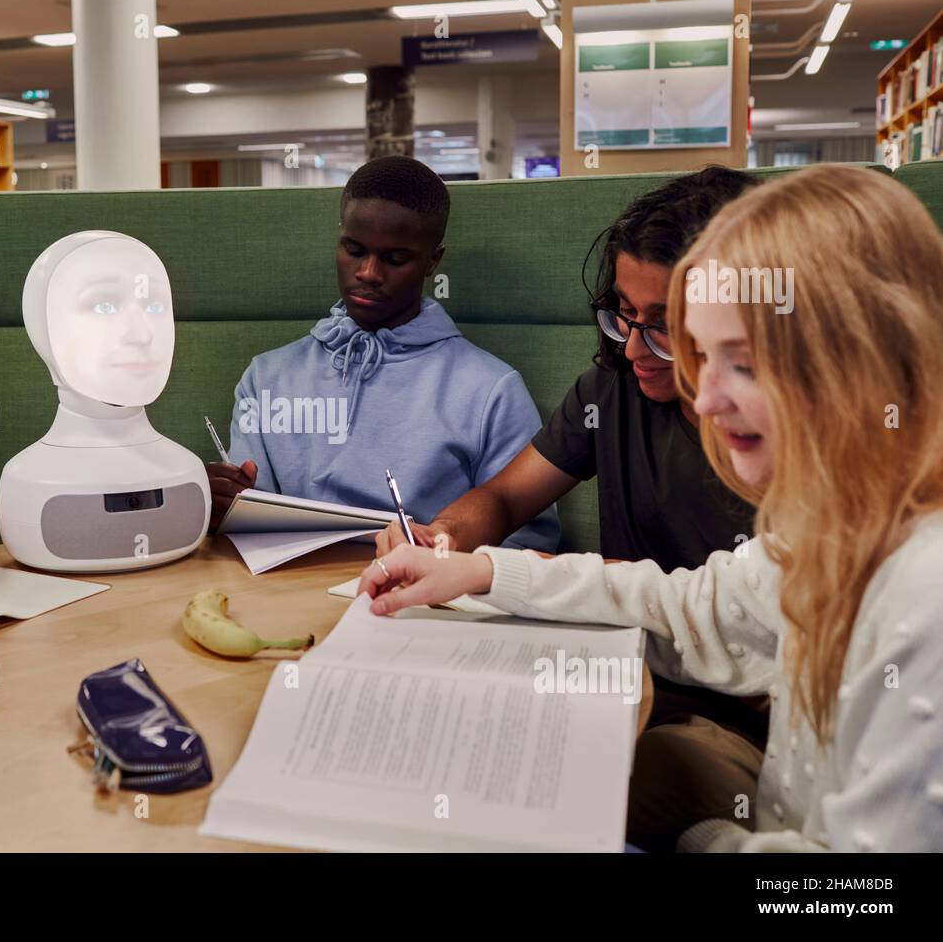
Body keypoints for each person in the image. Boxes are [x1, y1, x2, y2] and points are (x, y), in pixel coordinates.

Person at [359, 164, 943, 851]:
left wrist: (700, 841)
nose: (707, 399)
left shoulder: (922, 591)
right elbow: (692, 606)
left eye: (744, 362)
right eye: (703, 354)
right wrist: (483, 571)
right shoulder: (834, 525)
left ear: (859, 358)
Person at [376, 166, 765, 851]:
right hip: (611, 673)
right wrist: (442, 540)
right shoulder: (611, 387)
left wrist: (498, 574)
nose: (634, 347)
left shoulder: (774, 435)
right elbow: (502, 495)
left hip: (726, 720)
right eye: (622, 314)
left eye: (665, 328)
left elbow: (715, 619)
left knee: (535, 793)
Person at [206, 155, 558, 552]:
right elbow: (251, 527)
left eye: (395, 259)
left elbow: (527, 543)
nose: (369, 273)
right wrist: (216, 507)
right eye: (354, 250)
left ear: (433, 262)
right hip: (283, 594)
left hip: (422, 602)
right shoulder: (267, 376)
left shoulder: (491, 389)